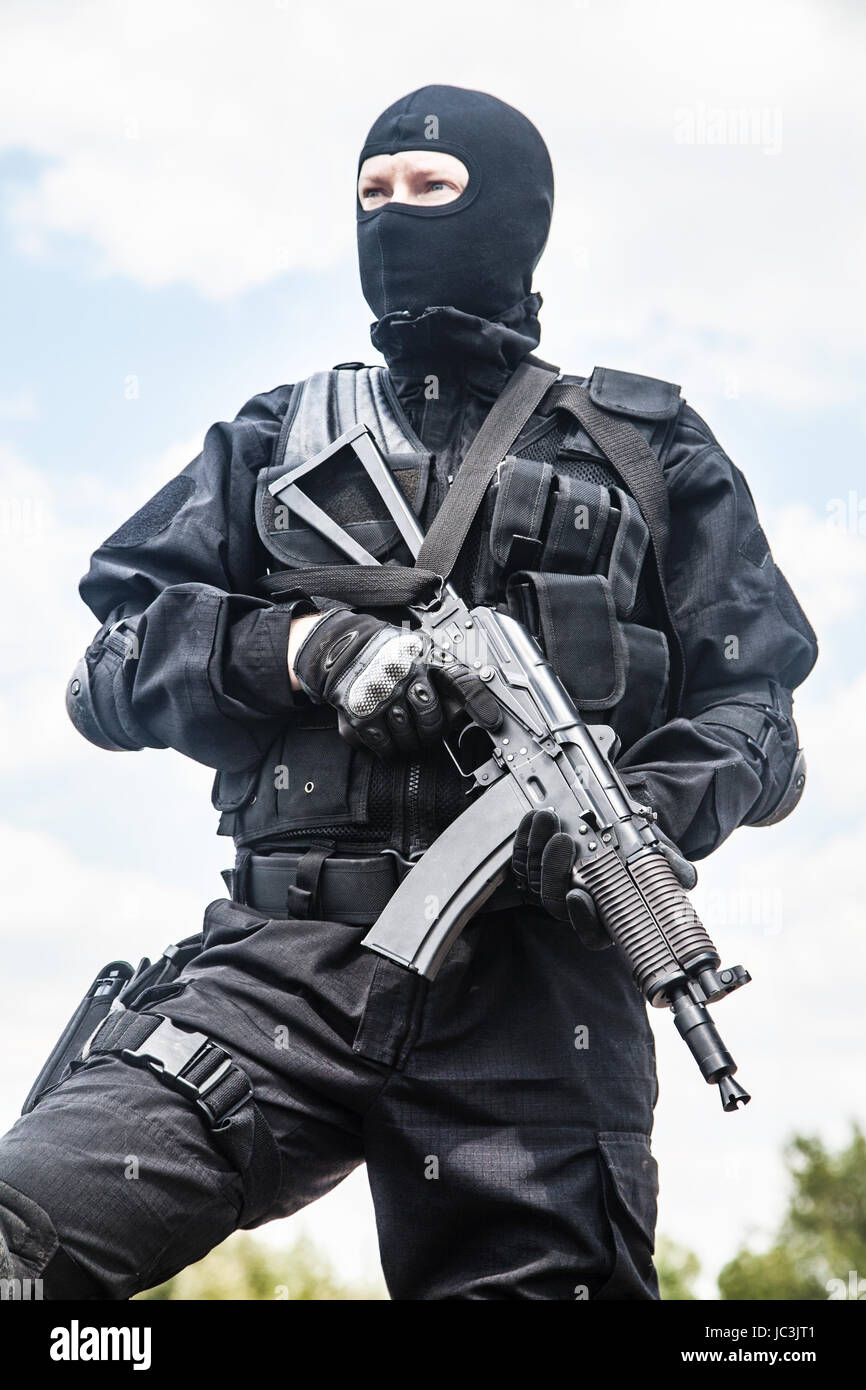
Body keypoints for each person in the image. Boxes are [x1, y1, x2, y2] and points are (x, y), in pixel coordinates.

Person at [0, 85, 817, 1301]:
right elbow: (108, 665)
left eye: (430, 191)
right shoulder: (275, 438)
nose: (394, 217)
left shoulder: (648, 449)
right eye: (370, 194)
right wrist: (303, 650)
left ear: (516, 214)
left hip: (538, 1015)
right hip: (280, 971)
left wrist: (622, 822)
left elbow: (759, 717)